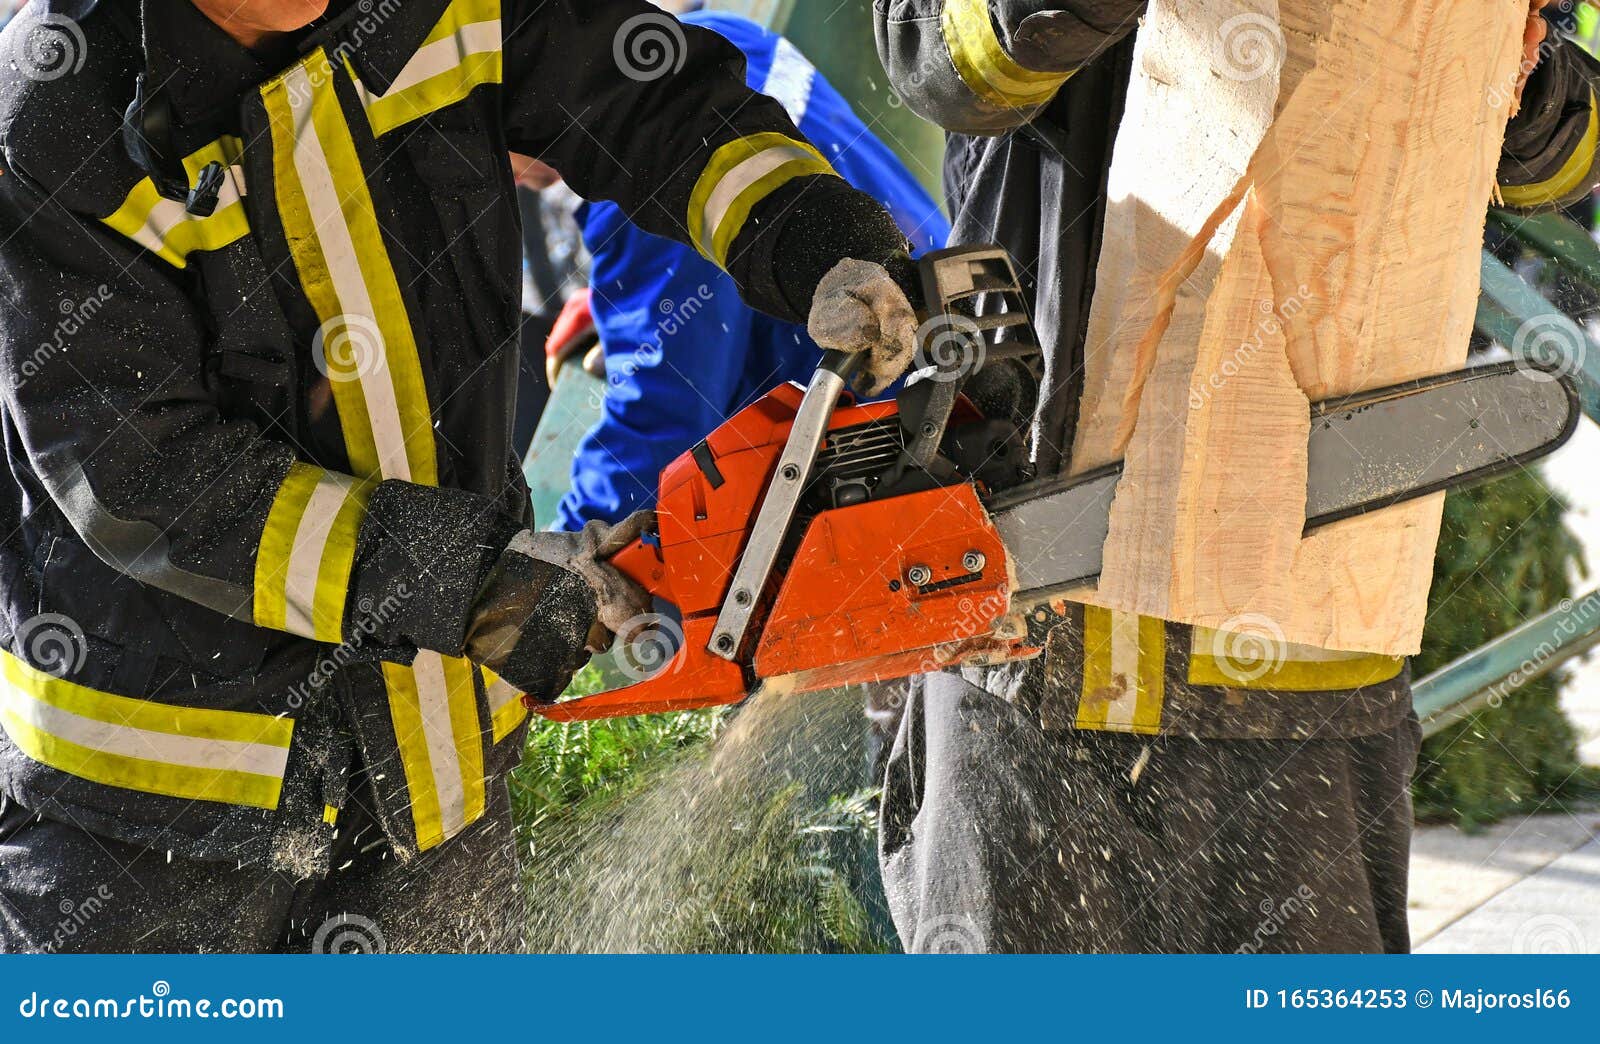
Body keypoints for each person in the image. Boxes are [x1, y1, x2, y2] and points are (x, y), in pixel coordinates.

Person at [0, 0, 923, 952]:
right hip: (160, 815)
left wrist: (803, 226)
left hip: (436, 767)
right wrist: (478, 580)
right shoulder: (55, 107)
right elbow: (145, 477)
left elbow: (640, 99)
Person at [869, 0, 1600, 953]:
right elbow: (938, 57)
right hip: (1046, 612)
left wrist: (1528, 82)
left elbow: (1566, 156)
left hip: (1323, 636)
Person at [529, 10, 949, 532]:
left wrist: (561, 566)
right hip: (940, 367)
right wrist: (613, 303)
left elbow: (667, 415)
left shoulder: (639, 170)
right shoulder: (712, 43)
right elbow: (743, 251)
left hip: (890, 462)